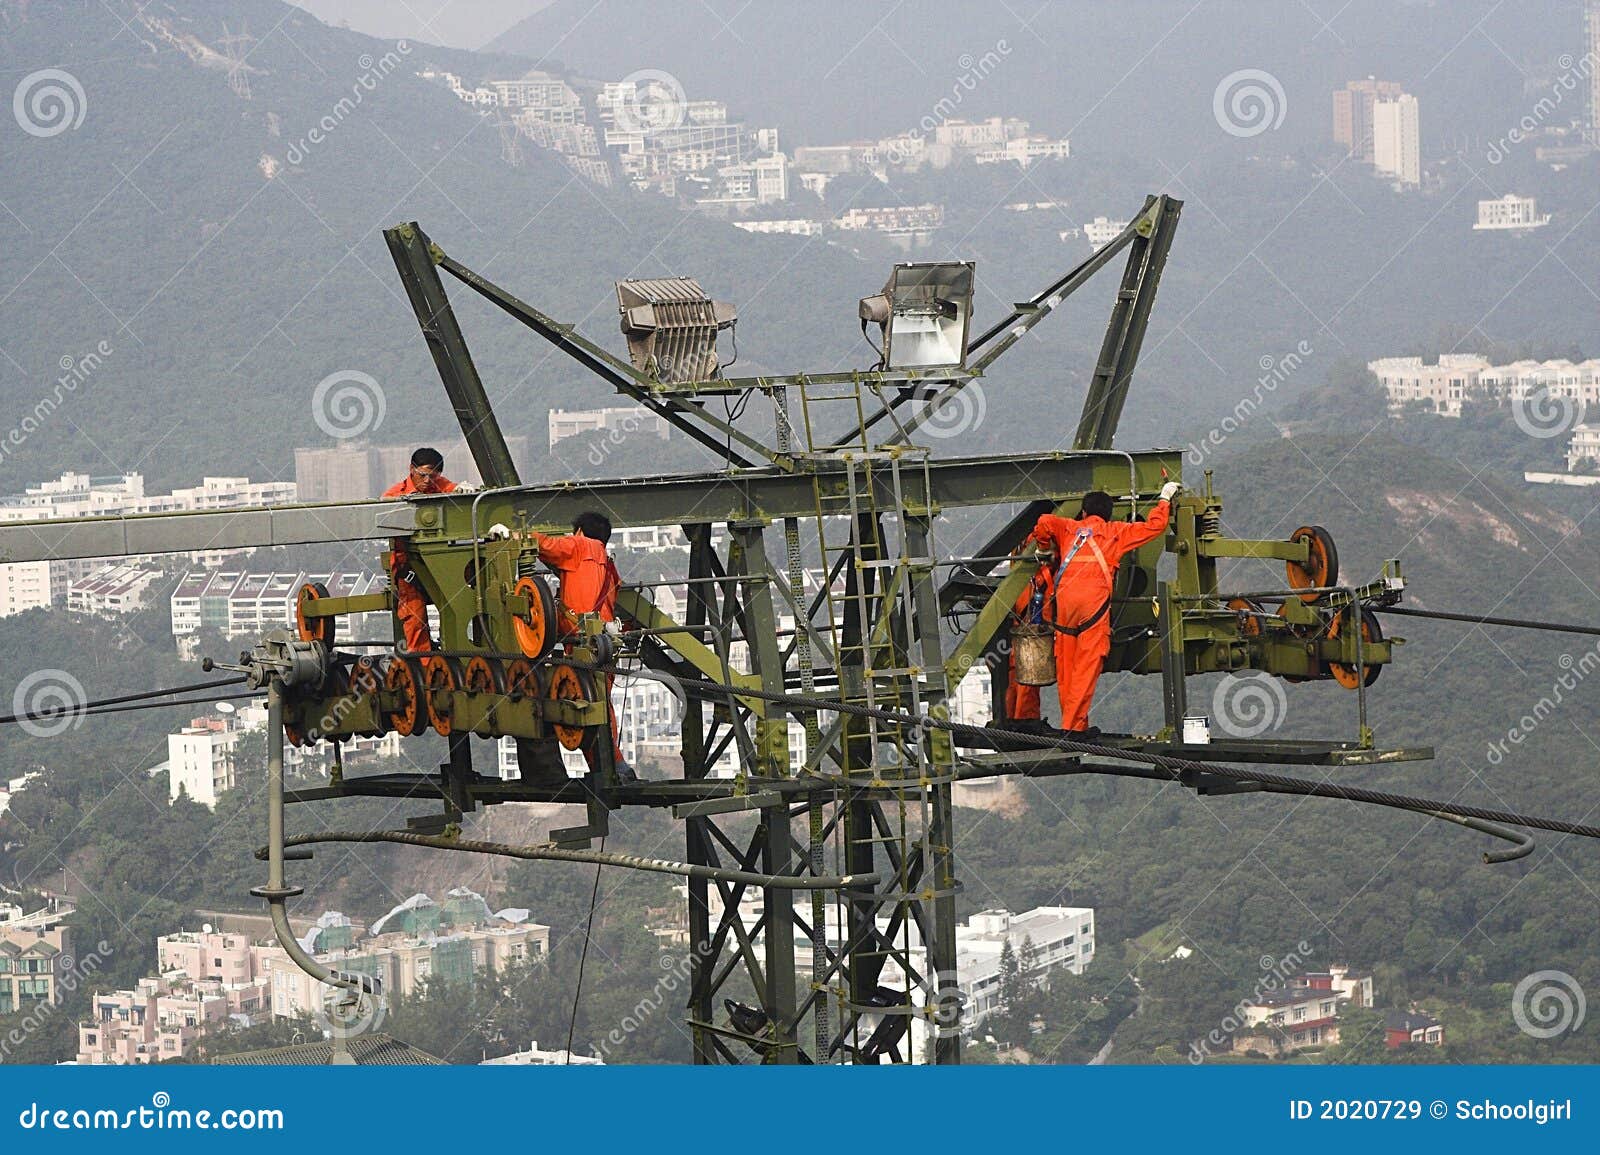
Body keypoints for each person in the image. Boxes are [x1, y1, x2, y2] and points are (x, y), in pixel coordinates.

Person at [1030, 482, 1180, 737]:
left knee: (1066, 668)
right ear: (1109, 514)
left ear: (1084, 513)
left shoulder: (1068, 527)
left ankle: (1075, 724)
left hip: (1064, 607)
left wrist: (1044, 548)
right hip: (1092, 609)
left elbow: (1044, 521)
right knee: (1086, 668)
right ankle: (1072, 730)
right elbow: (1155, 527)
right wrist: (1164, 498)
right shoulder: (1116, 531)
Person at [533, 510, 632, 781]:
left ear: (578, 532)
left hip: (581, 642)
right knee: (600, 703)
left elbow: (544, 544)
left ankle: (609, 767)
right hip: (605, 643)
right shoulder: (608, 564)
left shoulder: (579, 546)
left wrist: (511, 534)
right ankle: (613, 766)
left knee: (584, 704)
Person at [382, 448, 457, 653]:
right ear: (411, 470)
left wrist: (465, 492)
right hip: (409, 567)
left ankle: (455, 652)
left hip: (444, 565)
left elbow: (459, 496)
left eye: (433, 476)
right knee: (414, 616)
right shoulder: (395, 494)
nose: (426, 481)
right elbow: (383, 509)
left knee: (459, 606)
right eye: (422, 475)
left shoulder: (444, 488)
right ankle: (421, 663)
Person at [1001, 549, 1054, 729]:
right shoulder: (1037, 566)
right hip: (1033, 618)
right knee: (1029, 673)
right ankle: (1025, 721)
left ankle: (1016, 720)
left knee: (1017, 673)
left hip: (1023, 617)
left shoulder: (1020, 550)